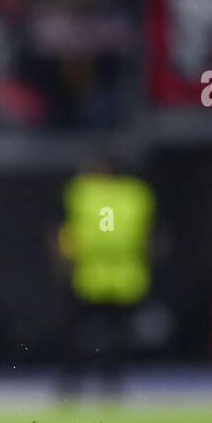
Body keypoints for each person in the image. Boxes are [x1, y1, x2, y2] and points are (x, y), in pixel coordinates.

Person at [54, 153, 156, 396]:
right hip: (116, 274)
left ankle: (83, 384)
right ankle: (99, 384)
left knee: (92, 335)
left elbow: (64, 230)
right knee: (101, 335)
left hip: (98, 274)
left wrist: (63, 260)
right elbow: (151, 236)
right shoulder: (135, 194)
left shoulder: (83, 192)